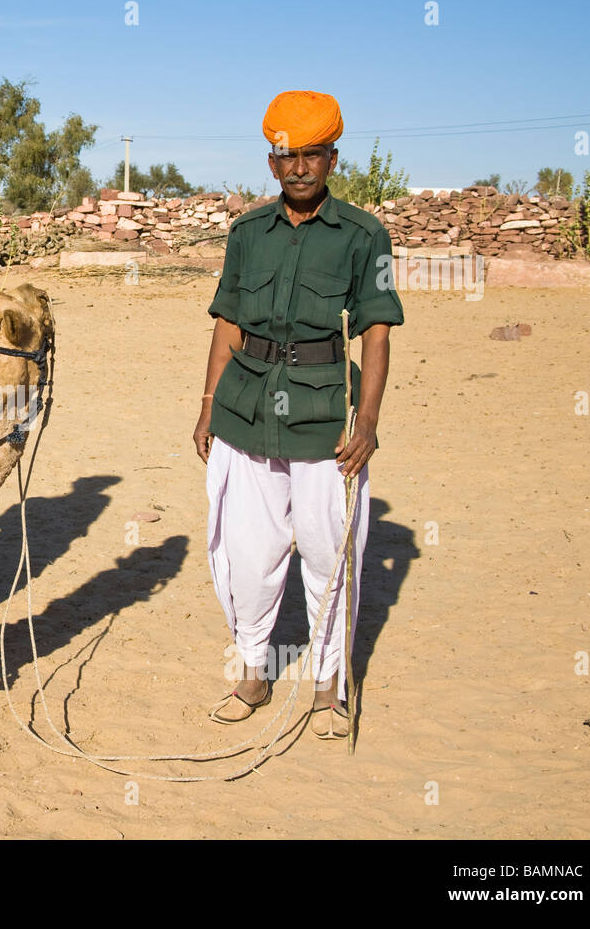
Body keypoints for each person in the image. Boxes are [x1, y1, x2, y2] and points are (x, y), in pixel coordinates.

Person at [192, 90, 404, 739]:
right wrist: (206, 405)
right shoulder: (246, 232)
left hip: (323, 417)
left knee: (329, 557)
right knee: (246, 560)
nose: (302, 169)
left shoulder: (365, 235)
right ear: (273, 163)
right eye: (290, 158)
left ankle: (328, 687)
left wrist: (365, 423)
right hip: (243, 410)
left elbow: (375, 332)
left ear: (333, 159)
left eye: (314, 156)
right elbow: (227, 321)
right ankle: (253, 674)